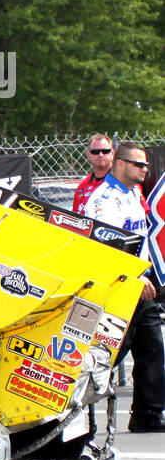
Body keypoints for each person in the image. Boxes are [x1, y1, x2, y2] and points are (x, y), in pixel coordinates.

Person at [84, 142, 165, 432]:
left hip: (140, 287)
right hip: (119, 287)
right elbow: (108, 249)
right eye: (139, 165)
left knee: (153, 348)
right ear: (120, 163)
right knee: (108, 355)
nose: (145, 170)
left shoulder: (131, 194)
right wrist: (134, 277)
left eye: (145, 165)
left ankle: (148, 414)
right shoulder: (105, 200)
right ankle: (65, 405)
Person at [72, 133, 115, 214]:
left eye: (105, 151)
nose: (100, 155)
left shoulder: (124, 182)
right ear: (88, 154)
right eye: (95, 152)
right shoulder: (82, 187)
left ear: (112, 153)